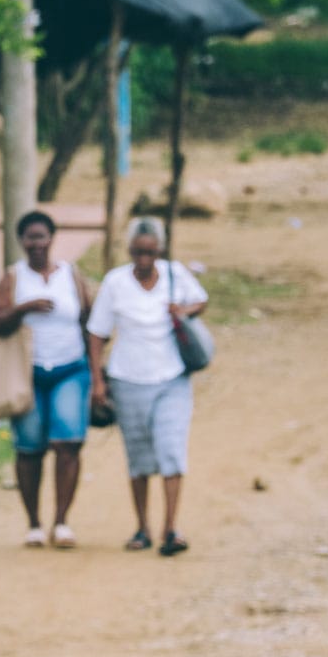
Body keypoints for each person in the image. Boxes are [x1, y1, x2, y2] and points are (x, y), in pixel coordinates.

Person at [86, 216, 208, 556]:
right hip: (128, 381)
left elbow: (201, 300)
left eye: (150, 253)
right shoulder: (115, 283)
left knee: (171, 450)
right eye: (138, 253)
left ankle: (171, 528)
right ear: (129, 251)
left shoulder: (174, 274)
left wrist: (181, 310)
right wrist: (98, 381)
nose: (143, 260)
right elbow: (97, 333)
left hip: (172, 379)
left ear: (159, 251)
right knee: (139, 457)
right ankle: (143, 527)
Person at [0, 210, 91, 549]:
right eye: (29, 237)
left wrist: (99, 375)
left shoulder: (71, 275)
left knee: (68, 443)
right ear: (21, 241)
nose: (36, 244)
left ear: (51, 238)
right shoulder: (13, 278)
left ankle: (61, 521)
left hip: (70, 369)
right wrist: (23, 308)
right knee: (29, 448)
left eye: (41, 236)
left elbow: (90, 321)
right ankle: (33, 522)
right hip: (27, 373)